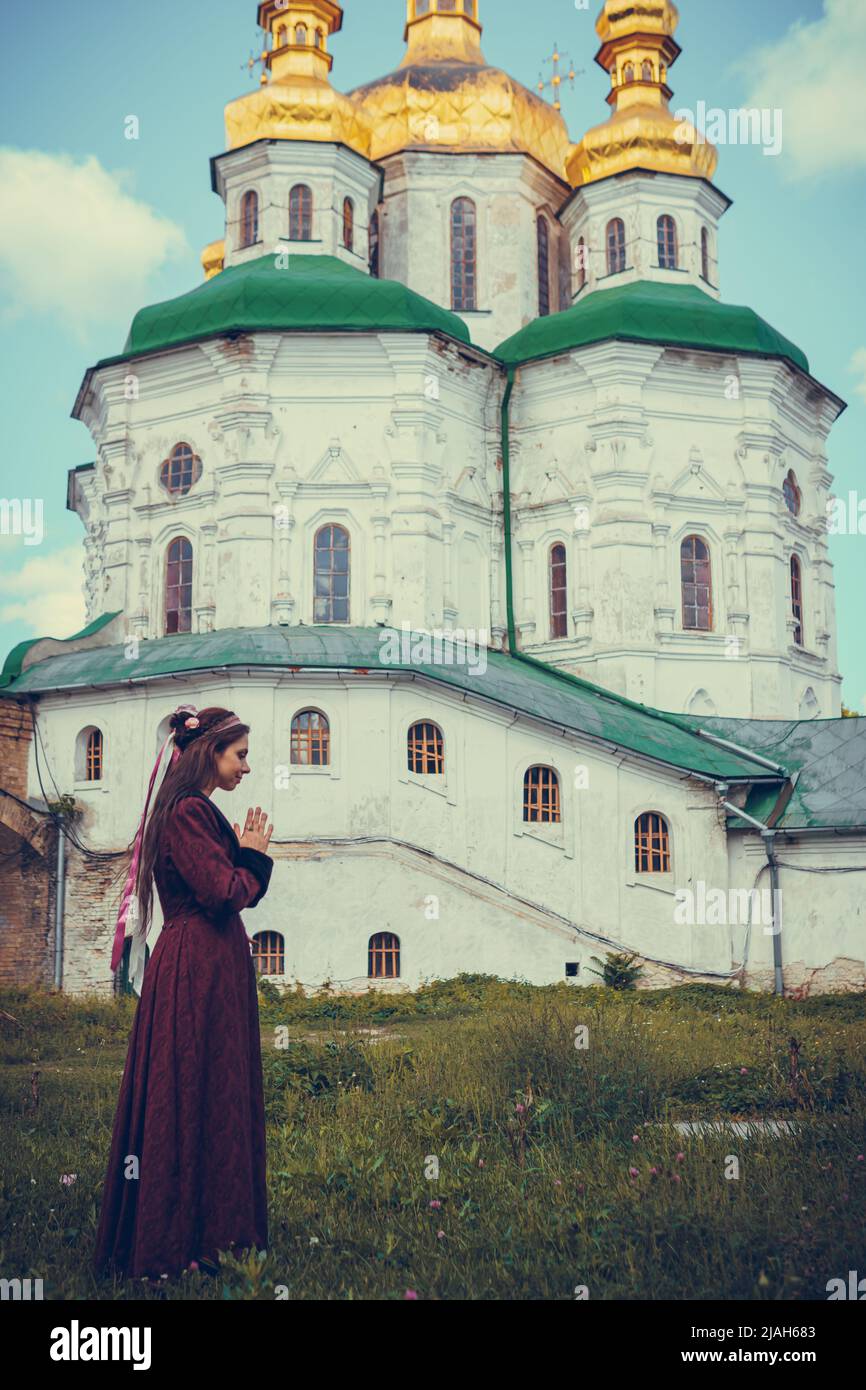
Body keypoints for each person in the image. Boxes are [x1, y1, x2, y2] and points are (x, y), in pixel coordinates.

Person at [92, 706, 274, 1282]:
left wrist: (247, 857)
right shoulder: (190, 812)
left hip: (206, 963)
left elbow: (231, 892)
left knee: (208, 1089)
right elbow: (224, 891)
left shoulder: (192, 810)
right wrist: (255, 855)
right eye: (238, 754)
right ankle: (182, 1241)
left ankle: (209, 1233)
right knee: (195, 1089)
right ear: (208, 753)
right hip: (197, 966)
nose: (246, 766)